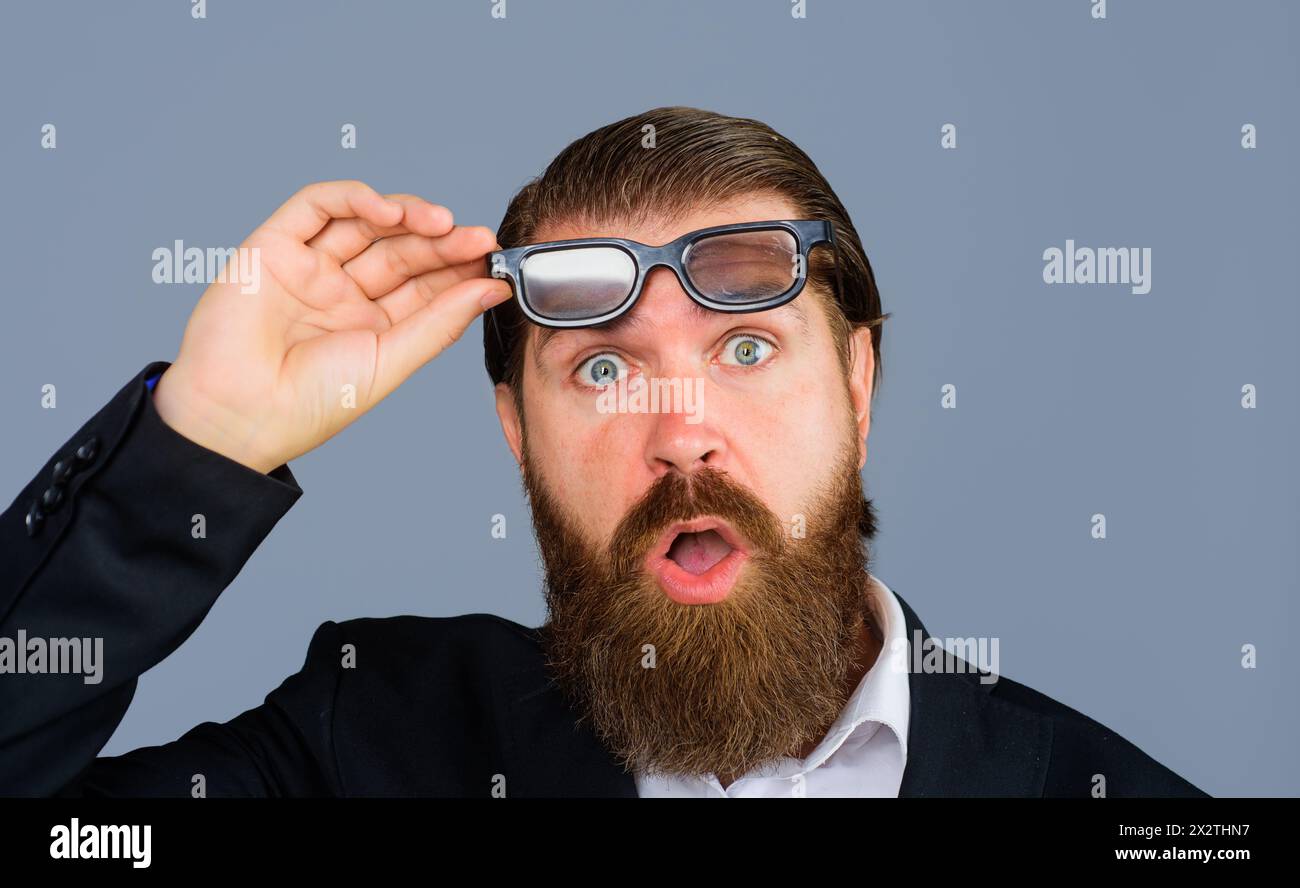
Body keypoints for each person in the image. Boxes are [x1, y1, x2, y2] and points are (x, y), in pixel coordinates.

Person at [0, 106, 1206, 797]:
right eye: (603, 368)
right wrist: (196, 449)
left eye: (744, 352)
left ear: (857, 383)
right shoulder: (372, 744)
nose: (682, 433)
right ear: (516, 432)